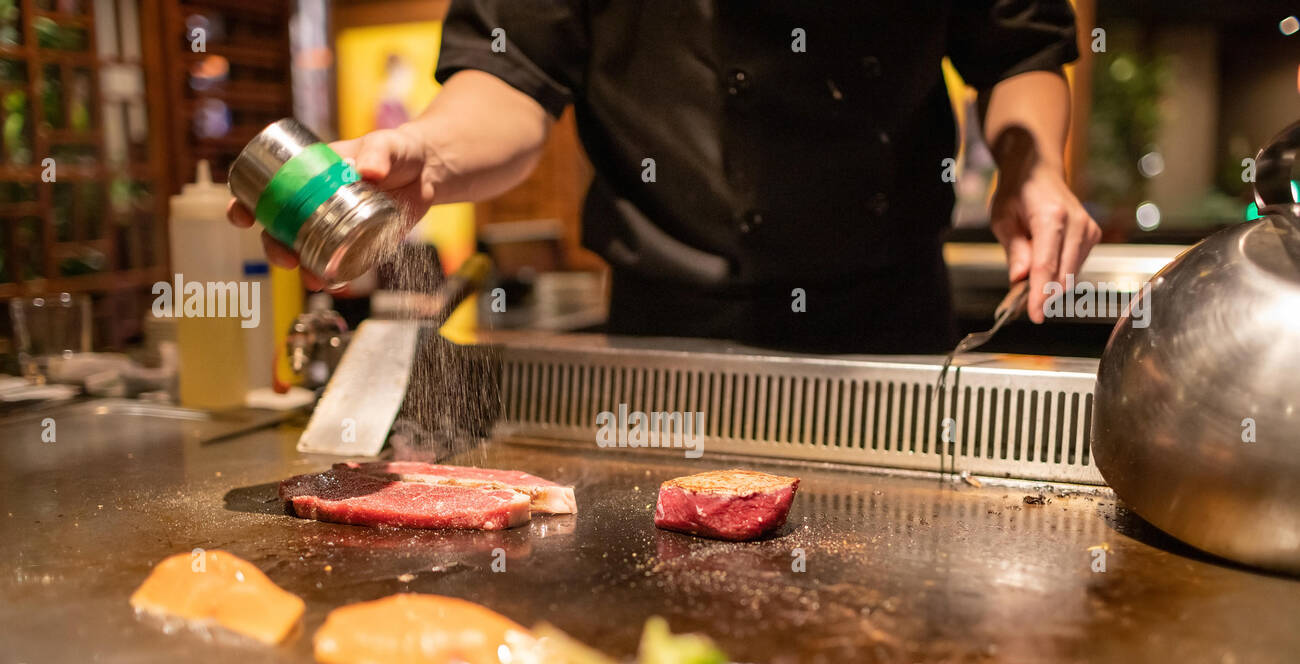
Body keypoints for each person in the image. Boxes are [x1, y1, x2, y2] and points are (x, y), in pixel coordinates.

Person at [229, 1, 1101, 354]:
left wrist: (1033, 167)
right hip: (669, 333)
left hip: (890, 325)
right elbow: (512, 80)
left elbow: (1018, 44)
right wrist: (430, 154)